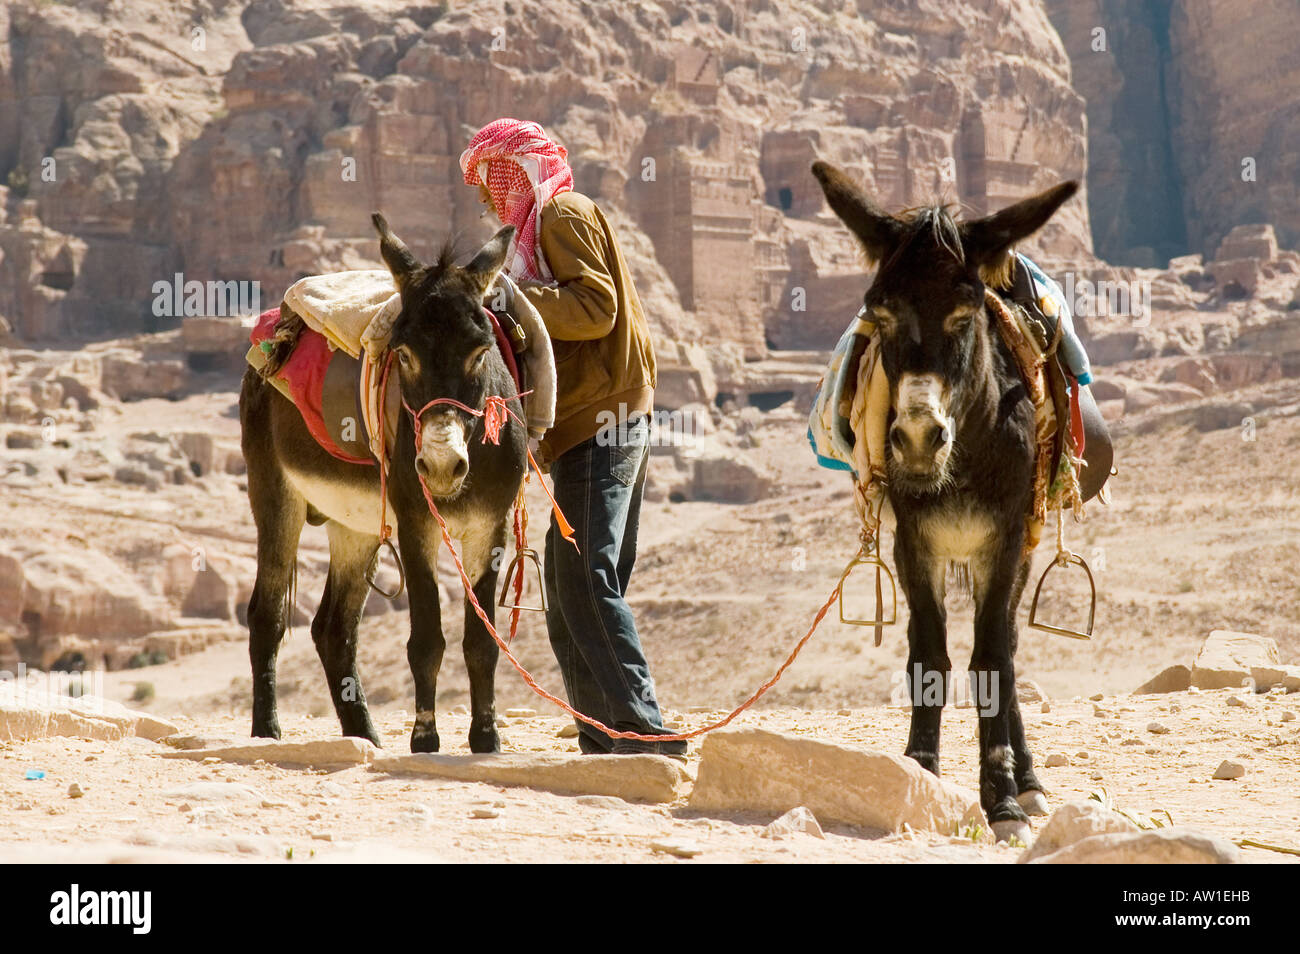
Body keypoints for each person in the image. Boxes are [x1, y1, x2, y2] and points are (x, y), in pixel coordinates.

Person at [458, 118, 685, 758]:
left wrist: (510, 297)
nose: (486, 200)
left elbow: (596, 308)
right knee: (566, 591)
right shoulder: (545, 225)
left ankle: (643, 729)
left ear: (521, 170)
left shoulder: (561, 212)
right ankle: (600, 733)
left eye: (492, 181)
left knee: (589, 577)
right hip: (587, 427)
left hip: (603, 423)